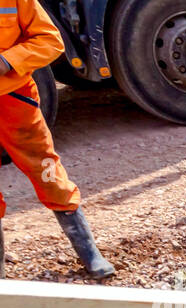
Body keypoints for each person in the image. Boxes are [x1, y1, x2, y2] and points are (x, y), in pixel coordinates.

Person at [0, 0, 114, 278]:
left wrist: (8, 61)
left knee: (47, 170)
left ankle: (89, 252)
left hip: (15, 100)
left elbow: (50, 40)